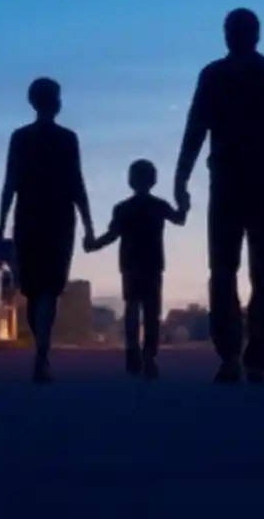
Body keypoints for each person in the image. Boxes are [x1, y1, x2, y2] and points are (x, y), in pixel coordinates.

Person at [174, 8, 264, 384]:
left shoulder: (215, 76)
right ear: (257, 35)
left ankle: (231, 355)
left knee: (223, 269)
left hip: (228, 182)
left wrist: (181, 180)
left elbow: (194, 131)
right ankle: (256, 356)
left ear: (228, 35)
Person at [0, 78, 94, 383]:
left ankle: (41, 351)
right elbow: (76, 184)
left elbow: (10, 183)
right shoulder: (62, 139)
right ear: (52, 102)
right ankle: (42, 350)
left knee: (39, 288)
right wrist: (89, 224)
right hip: (54, 218)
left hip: (35, 218)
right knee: (44, 289)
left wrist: (1, 224)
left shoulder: (25, 138)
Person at [84, 159, 187, 379]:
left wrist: (93, 245)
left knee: (132, 309)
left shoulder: (122, 208)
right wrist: (184, 202)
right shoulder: (159, 205)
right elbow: (180, 219)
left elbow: (112, 235)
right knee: (152, 313)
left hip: (130, 264)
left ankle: (133, 356)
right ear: (154, 180)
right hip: (153, 263)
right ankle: (149, 358)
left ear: (130, 181)